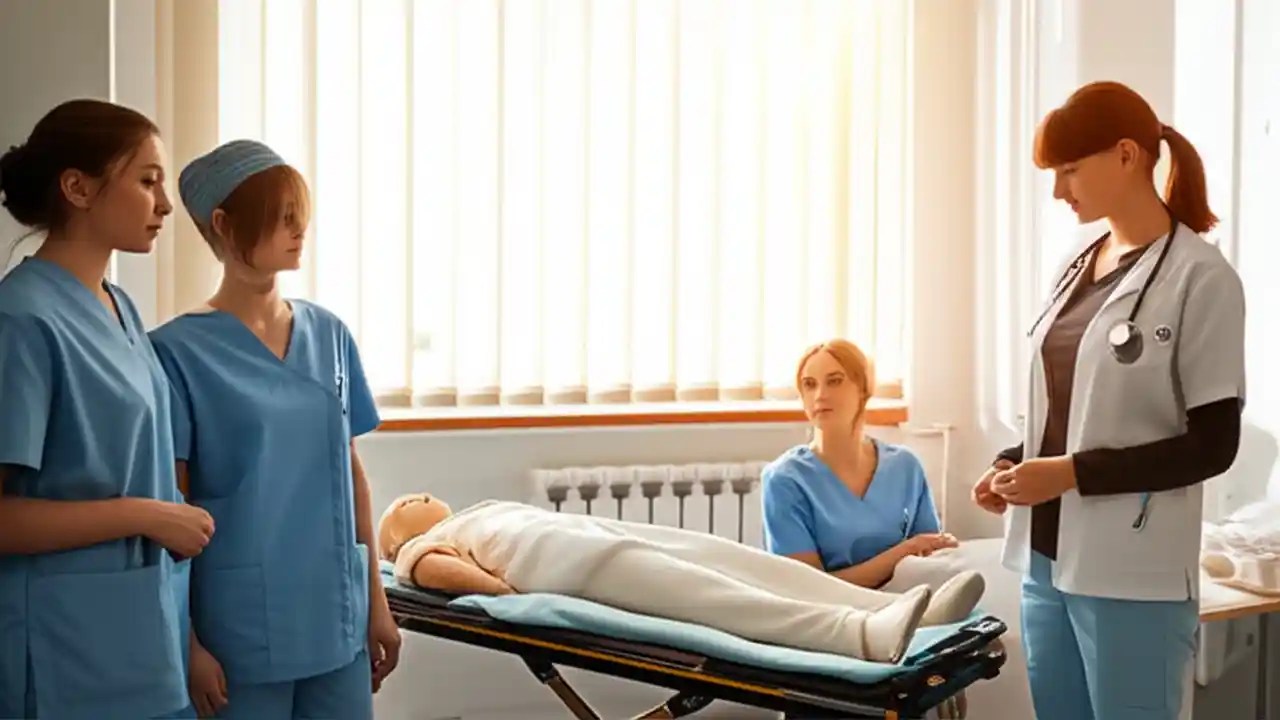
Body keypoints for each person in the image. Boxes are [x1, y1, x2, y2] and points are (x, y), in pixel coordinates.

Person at [971, 80, 1246, 720]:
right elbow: (1071, 409)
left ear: (1126, 155)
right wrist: (1013, 462)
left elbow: (1213, 446)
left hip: (1132, 572)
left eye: (1069, 170)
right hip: (1047, 561)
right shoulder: (1078, 263)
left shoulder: (1202, 277)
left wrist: (1068, 474)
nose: (1058, 191)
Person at [149, 139, 400, 719]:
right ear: (223, 224)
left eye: (300, 215)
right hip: (237, 636)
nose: (298, 230)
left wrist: (377, 604)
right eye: (282, 217)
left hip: (336, 619)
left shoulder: (329, 334)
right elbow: (171, 508)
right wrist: (186, 643)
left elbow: (351, 476)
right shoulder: (176, 352)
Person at [0, 99, 215, 719]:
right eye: (147, 181)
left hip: (143, 635)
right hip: (64, 651)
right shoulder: (22, 320)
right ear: (78, 188)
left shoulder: (121, 307)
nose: (166, 205)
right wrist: (146, 515)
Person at [377, 492, 968, 663]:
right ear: (397, 541)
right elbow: (438, 573)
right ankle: (858, 636)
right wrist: (506, 595)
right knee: (722, 599)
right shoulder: (418, 549)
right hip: (573, 566)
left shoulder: (478, 511)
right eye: (403, 503)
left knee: (746, 565)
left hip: (602, 537)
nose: (416, 497)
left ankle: (899, 611)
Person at [761, 339, 983, 611]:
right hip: (831, 617)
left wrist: (930, 549)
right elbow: (809, 591)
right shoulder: (785, 480)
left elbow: (929, 559)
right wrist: (904, 551)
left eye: (835, 381)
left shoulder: (905, 466)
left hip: (907, 610)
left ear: (863, 389)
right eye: (809, 384)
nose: (820, 395)